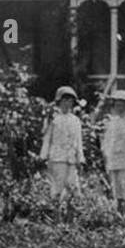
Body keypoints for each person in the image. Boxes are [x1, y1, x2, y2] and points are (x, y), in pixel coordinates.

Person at [40, 85, 85, 216]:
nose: (67, 104)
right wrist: (43, 156)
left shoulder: (75, 120)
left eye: (70, 101)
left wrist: (80, 158)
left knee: (73, 186)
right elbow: (46, 138)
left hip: (71, 158)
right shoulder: (53, 119)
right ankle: (55, 214)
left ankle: (73, 214)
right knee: (57, 186)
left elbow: (78, 141)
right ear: (59, 102)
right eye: (64, 100)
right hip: (57, 157)